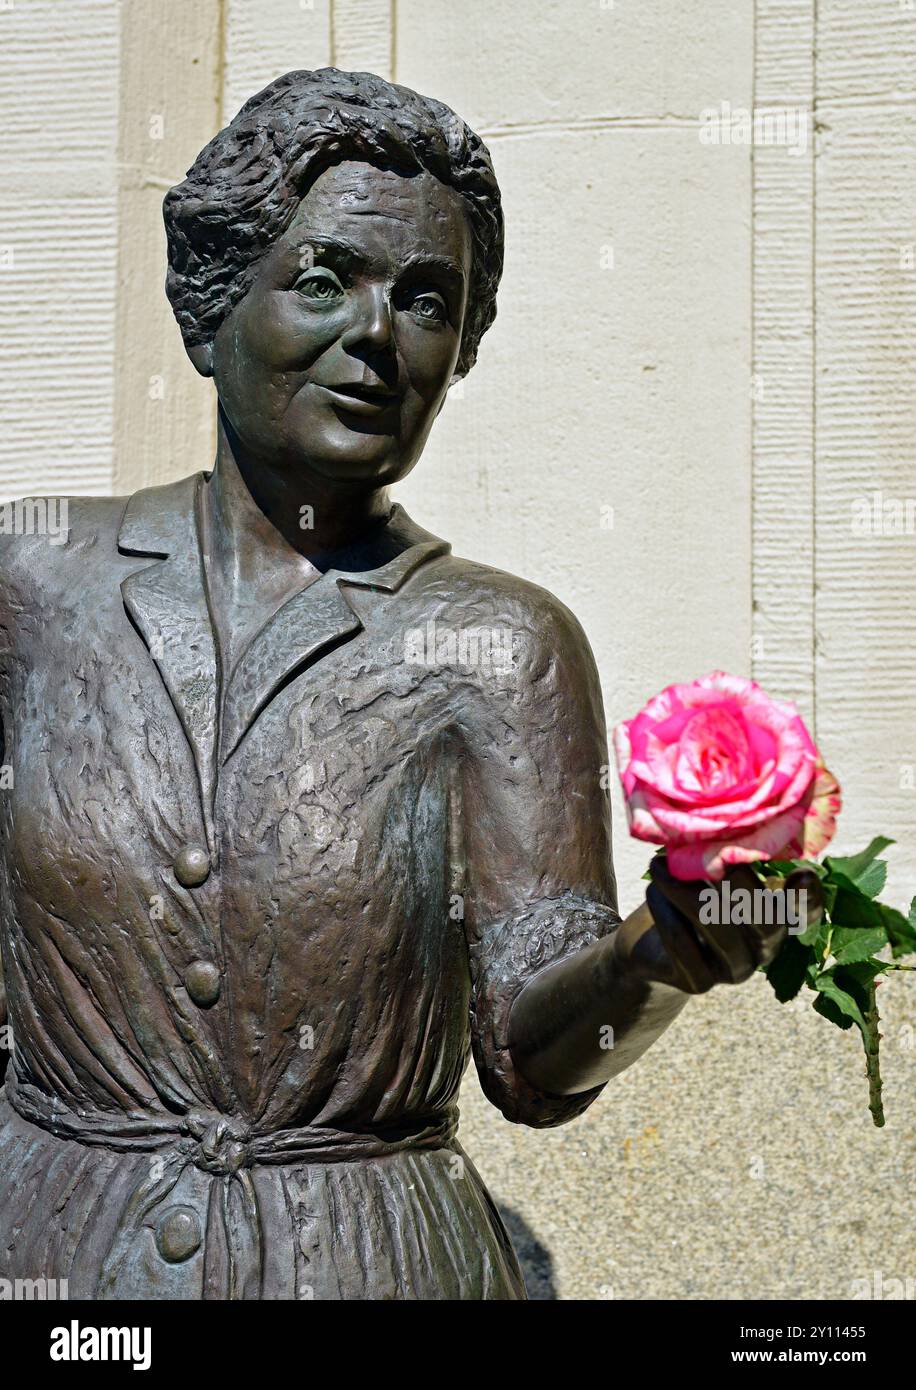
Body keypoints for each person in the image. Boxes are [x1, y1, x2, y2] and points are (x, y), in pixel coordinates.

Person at [0, 69, 795, 1300]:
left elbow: (534, 1055)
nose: (377, 334)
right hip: (53, 1250)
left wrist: (660, 956)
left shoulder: (502, 642)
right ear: (215, 304)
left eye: (426, 301)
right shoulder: (36, 580)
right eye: (324, 279)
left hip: (362, 1263)